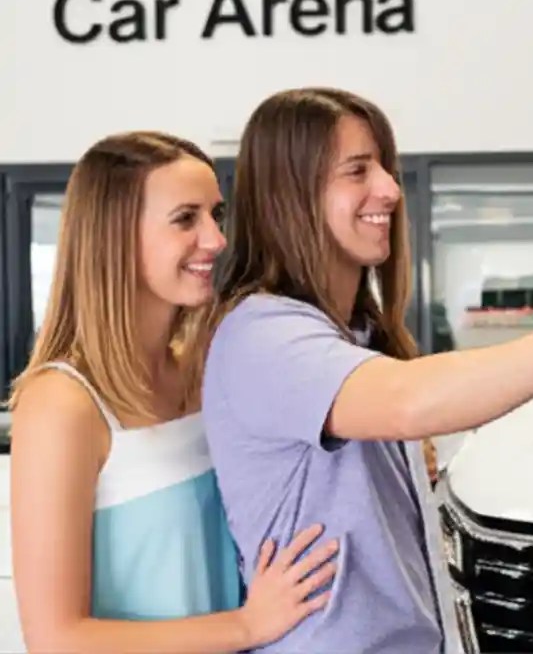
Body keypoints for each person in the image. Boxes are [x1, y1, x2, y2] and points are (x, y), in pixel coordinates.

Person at [198, 86, 533, 653]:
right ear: (293, 194)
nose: (388, 188)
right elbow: (410, 403)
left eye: (384, 167)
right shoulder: (262, 333)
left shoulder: (357, 335)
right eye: (357, 171)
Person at [8, 132, 339, 653]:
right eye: (186, 218)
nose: (216, 239)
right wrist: (246, 626)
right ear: (115, 237)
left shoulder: (209, 371)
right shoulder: (62, 406)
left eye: (216, 215)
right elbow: (57, 640)